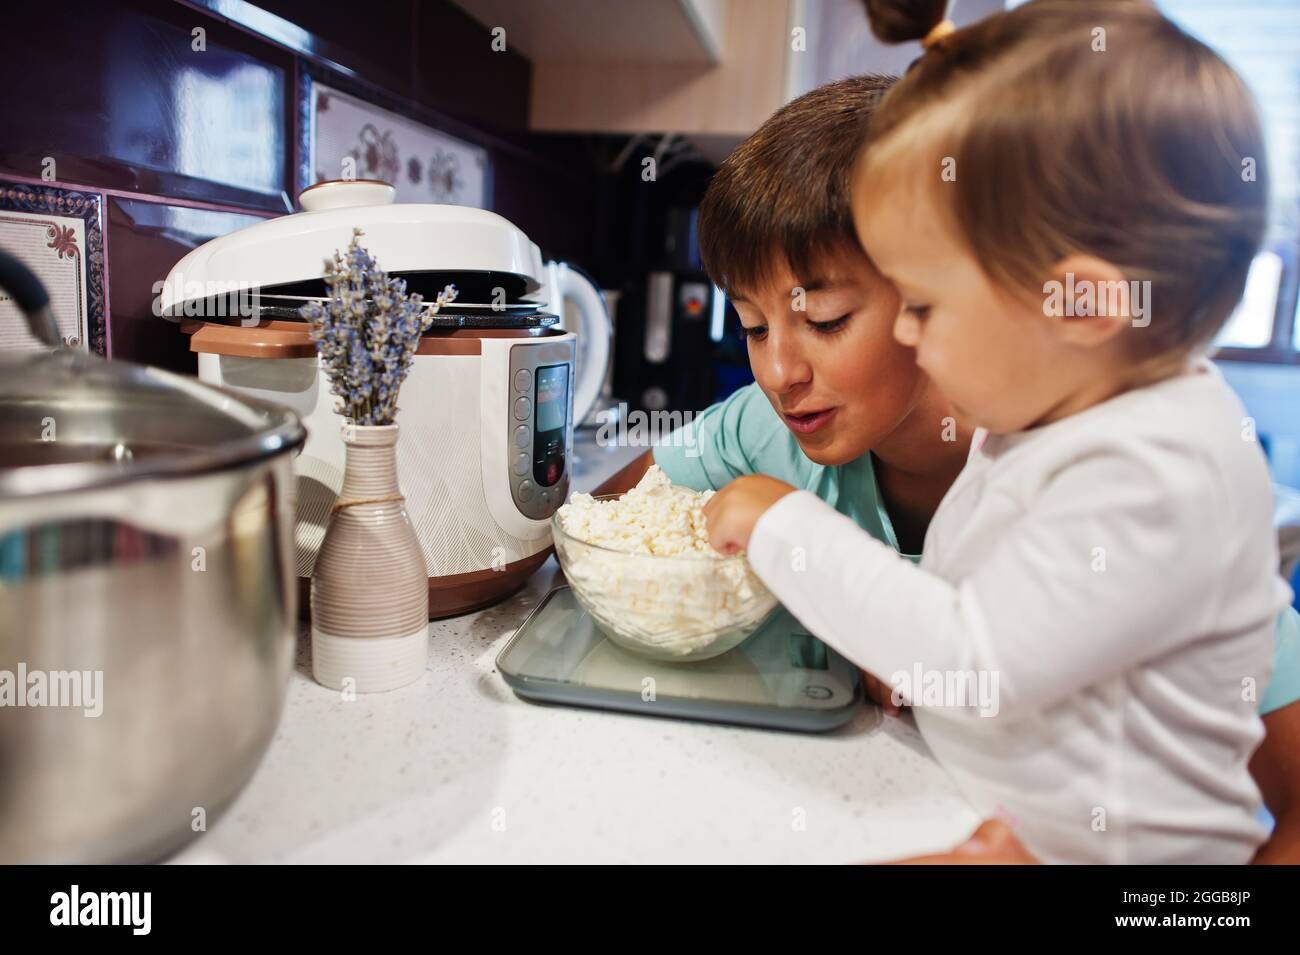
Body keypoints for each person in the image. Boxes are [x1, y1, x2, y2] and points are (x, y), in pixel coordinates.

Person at [593, 62, 1300, 863]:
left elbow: (975, 657)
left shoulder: (1144, 478)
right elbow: (604, 525)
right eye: (753, 327)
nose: (780, 373)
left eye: (826, 318)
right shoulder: (779, 428)